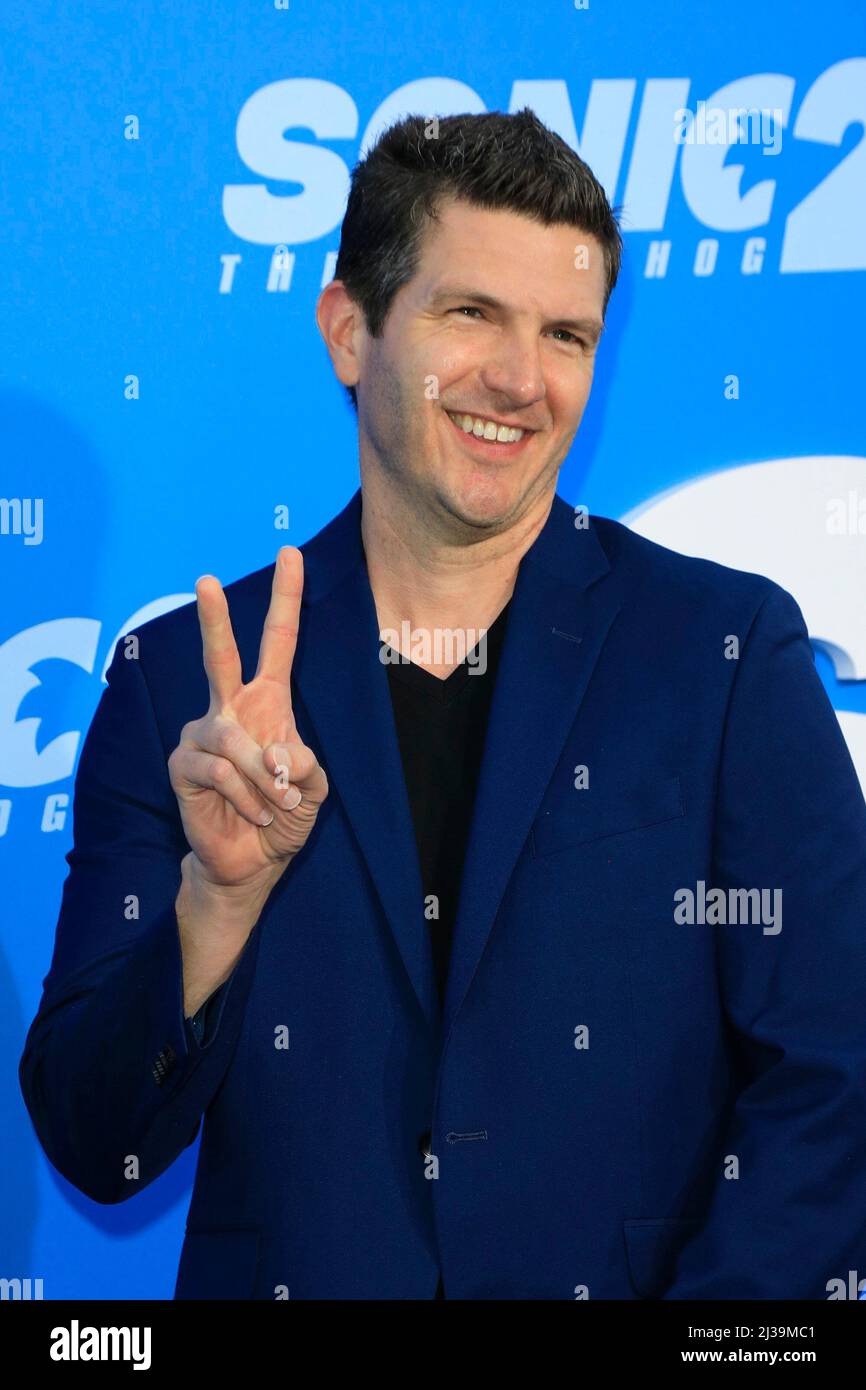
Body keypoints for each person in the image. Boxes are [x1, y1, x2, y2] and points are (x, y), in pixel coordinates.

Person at [20, 110, 866, 1300]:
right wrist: (215, 904)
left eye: (564, 333)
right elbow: (92, 1142)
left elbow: (834, 1071)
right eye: (470, 314)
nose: (520, 380)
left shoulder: (722, 655)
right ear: (349, 331)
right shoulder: (181, 685)